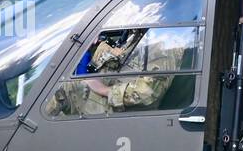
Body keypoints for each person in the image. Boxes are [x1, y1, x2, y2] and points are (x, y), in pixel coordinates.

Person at [46, 28, 177, 116]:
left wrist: (104, 89)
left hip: (118, 114)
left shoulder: (162, 45)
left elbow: (149, 93)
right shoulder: (136, 34)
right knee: (55, 88)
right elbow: (119, 59)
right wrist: (92, 43)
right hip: (102, 100)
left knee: (60, 90)